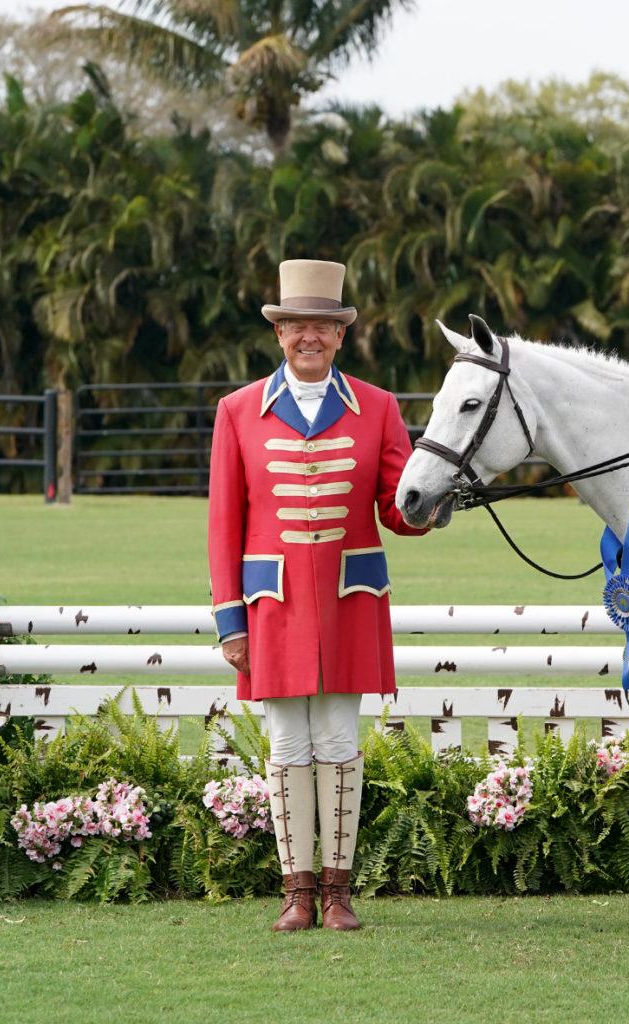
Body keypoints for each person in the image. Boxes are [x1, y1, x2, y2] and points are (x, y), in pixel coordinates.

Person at [207, 259, 426, 931]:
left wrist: (430, 499)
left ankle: (338, 893)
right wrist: (229, 622)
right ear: (279, 333)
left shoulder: (379, 407)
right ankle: (295, 892)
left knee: (337, 739)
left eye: (323, 326)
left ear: (340, 334)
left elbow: (398, 509)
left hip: (349, 598)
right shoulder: (238, 410)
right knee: (284, 744)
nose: (310, 336)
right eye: (297, 324)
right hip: (270, 605)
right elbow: (224, 523)